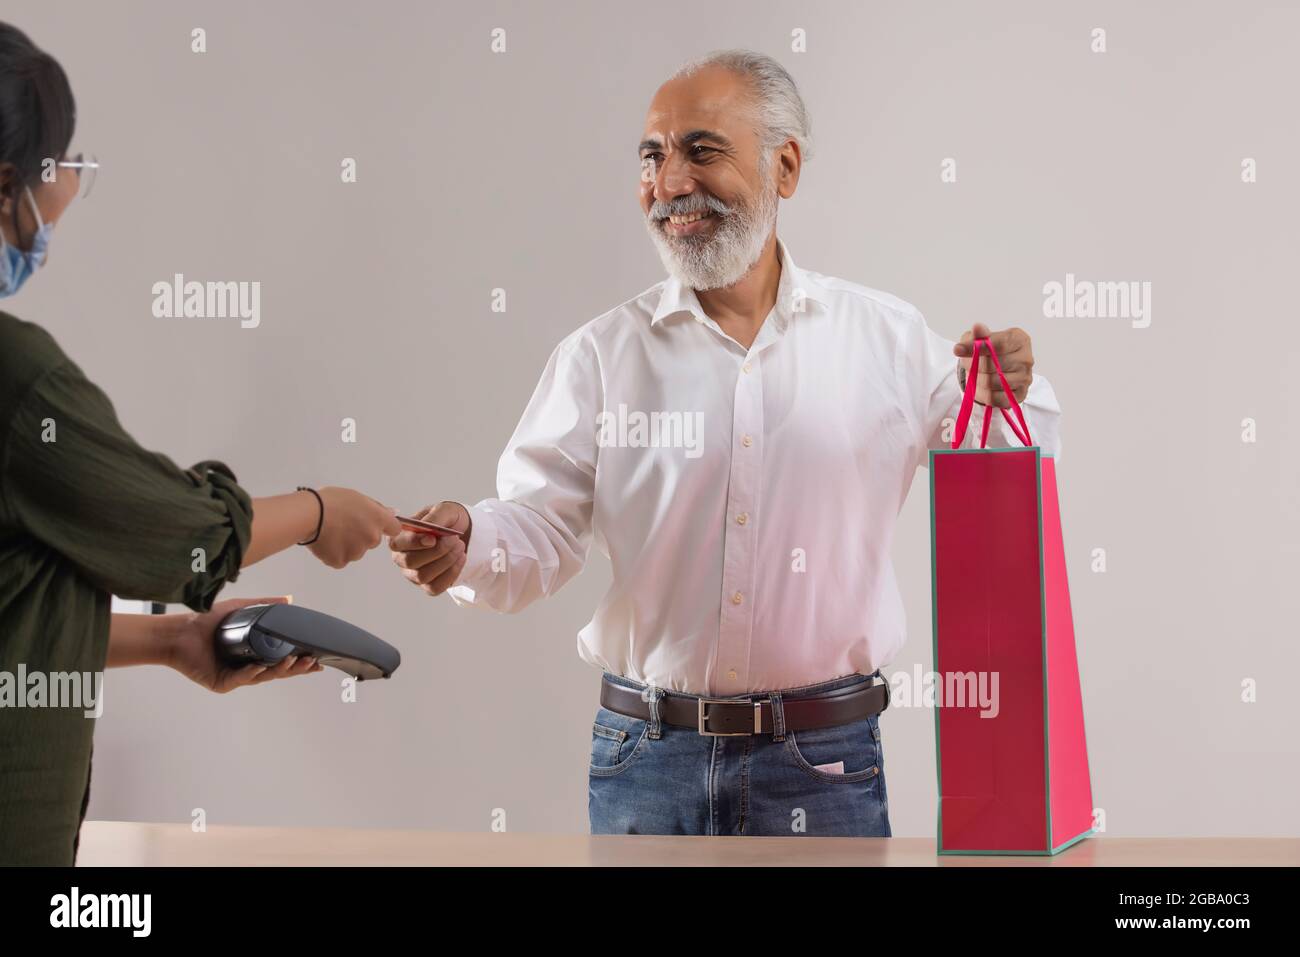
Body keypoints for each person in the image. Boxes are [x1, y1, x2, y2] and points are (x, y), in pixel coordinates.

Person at [390, 50, 1064, 837]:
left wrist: (1009, 389)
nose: (670, 182)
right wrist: (469, 542)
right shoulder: (601, 356)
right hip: (645, 761)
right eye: (653, 155)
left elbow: (1008, 460)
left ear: (785, 166)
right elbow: (537, 526)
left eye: (702, 150)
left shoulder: (886, 341)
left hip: (825, 763)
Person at [0, 22, 401, 864]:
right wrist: (323, 512)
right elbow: (179, 532)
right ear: (9, 185)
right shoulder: (17, 378)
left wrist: (173, 641)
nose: (71, 185)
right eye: (63, 163)